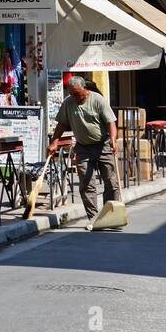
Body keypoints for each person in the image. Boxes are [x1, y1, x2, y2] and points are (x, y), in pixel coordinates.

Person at [48, 74, 120, 226]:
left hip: (103, 145)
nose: (74, 97)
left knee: (111, 182)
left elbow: (111, 122)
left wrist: (113, 139)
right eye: (71, 94)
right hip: (83, 148)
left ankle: (110, 216)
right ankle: (94, 219)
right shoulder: (68, 103)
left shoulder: (97, 100)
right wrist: (54, 142)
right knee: (86, 184)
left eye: (76, 93)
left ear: (85, 89)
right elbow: (61, 124)